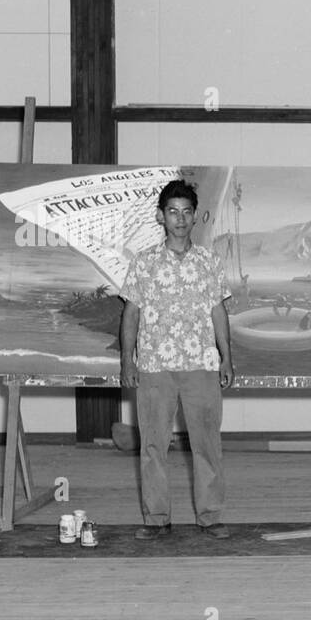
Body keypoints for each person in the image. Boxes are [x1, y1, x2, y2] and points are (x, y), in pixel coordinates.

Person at [120, 180, 235, 540]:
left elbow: (219, 313)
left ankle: (211, 517)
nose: (180, 219)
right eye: (173, 211)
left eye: (186, 212)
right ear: (161, 216)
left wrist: (226, 359)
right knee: (153, 446)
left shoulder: (209, 262)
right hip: (155, 367)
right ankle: (156, 521)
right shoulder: (144, 263)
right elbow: (131, 315)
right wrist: (127, 360)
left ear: (195, 217)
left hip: (202, 365)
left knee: (207, 445)